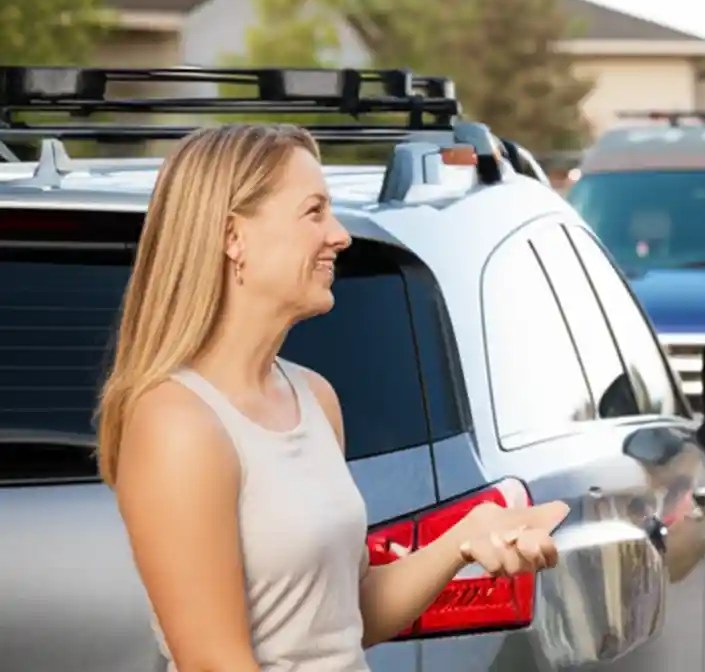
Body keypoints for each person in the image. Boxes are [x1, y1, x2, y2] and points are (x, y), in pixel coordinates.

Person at [95, 123, 569, 672]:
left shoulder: (312, 398)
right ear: (232, 237)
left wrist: (467, 536)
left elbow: (347, 616)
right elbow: (214, 663)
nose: (339, 235)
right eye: (314, 212)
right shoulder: (177, 422)